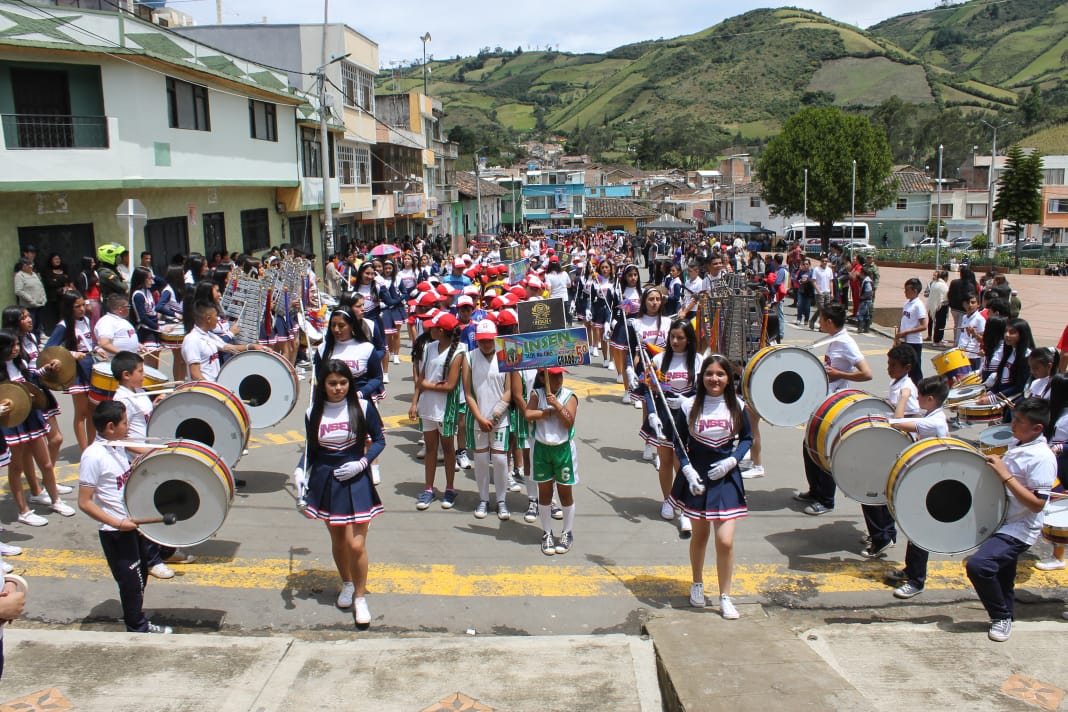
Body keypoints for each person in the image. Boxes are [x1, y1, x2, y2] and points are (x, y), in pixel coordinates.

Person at [293, 360, 384, 626]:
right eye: (332, 383)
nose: (338, 388)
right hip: (326, 479)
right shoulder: (313, 412)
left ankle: (360, 596)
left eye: (343, 383)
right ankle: (346, 582)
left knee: (356, 544)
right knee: (339, 539)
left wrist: (362, 463)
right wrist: (300, 471)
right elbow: (311, 450)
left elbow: (379, 440)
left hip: (356, 477)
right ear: (323, 385)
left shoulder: (364, 407)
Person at [77, 400, 172, 634]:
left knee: (140, 579)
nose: (128, 427)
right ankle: (138, 629)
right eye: (124, 423)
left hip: (133, 525)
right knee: (130, 585)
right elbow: (84, 502)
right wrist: (118, 523)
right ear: (110, 427)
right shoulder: (93, 456)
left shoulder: (117, 446)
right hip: (116, 533)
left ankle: (137, 620)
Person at [965, 397, 1056, 642]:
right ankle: (1007, 613)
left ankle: (1000, 616)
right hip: (1003, 519)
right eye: (1014, 419)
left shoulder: (1042, 458)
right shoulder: (1020, 442)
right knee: (1003, 575)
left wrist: (1005, 476)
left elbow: (1037, 504)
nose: (1013, 425)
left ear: (1037, 428)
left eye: (1019, 421)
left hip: (1019, 528)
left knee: (979, 566)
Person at [670, 354, 752, 619]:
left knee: (725, 541)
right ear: (701, 377)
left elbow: (747, 439)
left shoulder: (738, 406)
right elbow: (679, 443)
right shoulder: (689, 405)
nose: (714, 379)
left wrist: (732, 461)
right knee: (700, 536)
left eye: (720, 374)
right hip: (698, 478)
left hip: (726, 477)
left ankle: (725, 595)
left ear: (729, 378)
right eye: (709, 374)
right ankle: (697, 582)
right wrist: (686, 469)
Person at [110, 351, 195, 578]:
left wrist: (156, 403)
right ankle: (151, 559)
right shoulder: (121, 401)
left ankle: (165, 549)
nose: (144, 374)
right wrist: (154, 451)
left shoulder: (137, 392)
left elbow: (143, 421)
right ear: (126, 375)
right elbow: (123, 440)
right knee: (146, 509)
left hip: (150, 455)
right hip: (137, 460)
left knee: (163, 503)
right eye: (140, 371)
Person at [795, 303, 873, 515]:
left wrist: (841, 374)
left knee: (824, 450)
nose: (819, 323)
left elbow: (867, 373)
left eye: (821, 319)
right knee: (809, 446)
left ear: (829, 322)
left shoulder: (847, 343)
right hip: (822, 401)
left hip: (835, 406)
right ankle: (815, 490)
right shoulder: (834, 339)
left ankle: (826, 499)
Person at [640, 320, 701, 536]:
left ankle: (684, 507)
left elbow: (704, 391)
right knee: (665, 460)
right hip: (665, 417)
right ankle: (668, 500)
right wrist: (653, 413)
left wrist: (687, 402)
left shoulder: (698, 361)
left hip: (687, 418)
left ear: (689, 339)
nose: (675, 341)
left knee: (681, 463)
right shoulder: (658, 359)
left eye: (680, 338)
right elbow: (647, 387)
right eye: (672, 337)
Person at [859, 345, 920, 558]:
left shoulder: (907, 388)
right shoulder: (898, 383)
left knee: (871, 490)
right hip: (890, 443)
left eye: (893, 366)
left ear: (907, 367)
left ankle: (881, 538)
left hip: (897, 444)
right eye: (888, 364)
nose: (889, 368)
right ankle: (884, 533)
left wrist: (898, 403)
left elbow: (900, 419)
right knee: (882, 491)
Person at [409, 311, 466, 510]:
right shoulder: (430, 347)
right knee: (431, 449)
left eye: (433, 327)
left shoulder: (459, 351)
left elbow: (450, 386)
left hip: (446, 409)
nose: (429, 329)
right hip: (427, 407)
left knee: (449, 450)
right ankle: (428, 489)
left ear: (441, 331)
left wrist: (426, 385)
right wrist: (415, 402)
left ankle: (450, 488)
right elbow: (421, 378)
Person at [524, 366, 579, 556]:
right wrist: (546, 412)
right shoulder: (536, 394)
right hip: (541, 449)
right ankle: (547, 533)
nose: (557, 381)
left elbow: (569, 421)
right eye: (552, 377)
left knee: (565, 492)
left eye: (559, 376)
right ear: (542, 377)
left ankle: (567, 532)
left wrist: (556, 405)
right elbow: (528, 414)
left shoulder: (569, 396)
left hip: (563, 450)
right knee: (545, 493)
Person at [462, 320, 512, 521]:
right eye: (482, 341)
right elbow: (468, 393)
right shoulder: (468, 357)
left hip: (500, 418)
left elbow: (509, 390)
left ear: (496, 338)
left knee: (500, 460)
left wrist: (495, 415)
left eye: (490, 340)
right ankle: (483, 499)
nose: (486, 344)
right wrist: (480, 418)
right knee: (481, 460)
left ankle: (501, 500)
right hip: (478, 419)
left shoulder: (505, 354)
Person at [46, 290, 103, 451]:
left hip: (90, 366)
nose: (81, 309)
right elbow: (50, 348)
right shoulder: (63, 326)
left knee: (93, 410)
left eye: (82, 305)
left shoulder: (86, 320)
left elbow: (90, 341)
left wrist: (97, 349)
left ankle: (93, 445)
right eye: (77, 306)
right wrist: (72, 354)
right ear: (69, 308)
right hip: (76, 370)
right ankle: (84, 449)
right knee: (82, 412)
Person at [1036, 373, 1068, 572]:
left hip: (1064, 464)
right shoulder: (1056, 411)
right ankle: (1058, 555)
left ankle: (1058, 557)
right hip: (1054, 463)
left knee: (1059, 508)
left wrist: (1060, 448)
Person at [181, 301, 255, 382]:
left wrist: (252, 347)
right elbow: (195, 374)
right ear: (208, 319)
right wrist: (212, 389)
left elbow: (229, 347)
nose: (218, 319)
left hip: (214, 386)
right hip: (204, 390)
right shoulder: (192, 340)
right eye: (216, 316)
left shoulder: (209, 335)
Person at [896, 278, 928, 384]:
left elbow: (924, 326)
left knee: (915, 370)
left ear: (915, 291)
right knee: (904, 368)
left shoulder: (918, 305)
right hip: (905, 341)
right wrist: (899, 336)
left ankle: (920, 391)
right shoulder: (907, 303)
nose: (905, 292)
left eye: (907, 290)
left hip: (914, 342)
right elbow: (903, 320)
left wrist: (906, 332)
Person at [13, 259, 46, 336]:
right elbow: (18, 291)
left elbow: (40, 287)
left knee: (38, 324)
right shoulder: (19, 275)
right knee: (31, 325)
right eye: (28, 265)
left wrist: (44, 298)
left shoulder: (34, 274)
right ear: (23, 266)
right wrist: (30, 300)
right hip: (29, 306)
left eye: (31, 264)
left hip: (39, 304)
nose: (30, 266)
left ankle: (38, 340)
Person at [957, 293, 986, 371]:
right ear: (963, 304)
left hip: (973, 356)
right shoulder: (964, 317)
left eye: (973, 302)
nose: (970, 305)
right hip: (962, 354)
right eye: (967, 303)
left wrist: (974, 333)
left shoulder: (980, 319)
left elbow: (983, 340)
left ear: (978, 304)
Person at [926, 270, 949, 345]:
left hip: (935, 306)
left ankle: (939, 339)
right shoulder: (942, 285)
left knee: (938, 324)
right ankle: (937, 340)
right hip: (941, 306)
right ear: (945, 277)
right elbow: (946, 296)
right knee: (940, 324)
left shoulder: (935, 283)